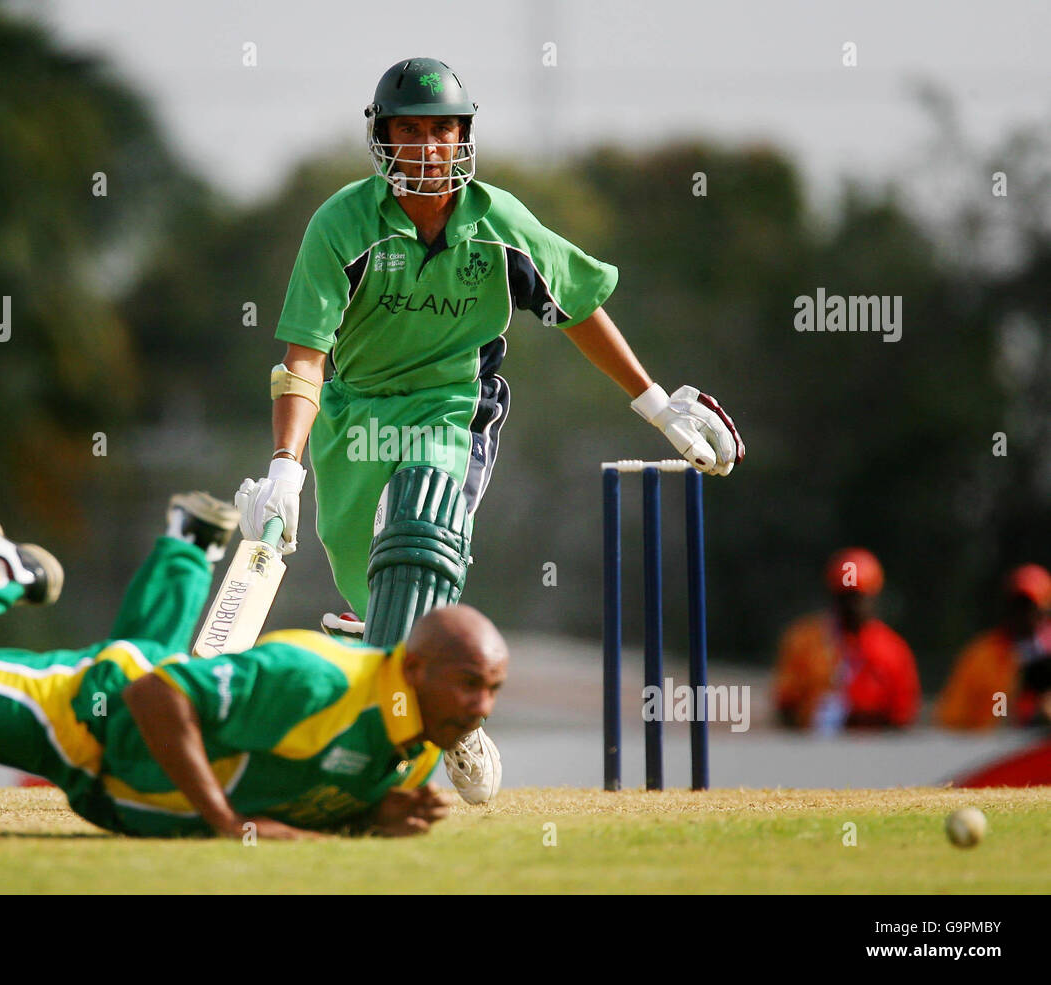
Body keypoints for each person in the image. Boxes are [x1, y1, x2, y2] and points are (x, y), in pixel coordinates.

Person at [234, 57, 744, 802]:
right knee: (374, 583)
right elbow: (304, 359)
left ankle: (379, 765)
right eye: (410, 129)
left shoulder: (499, 221)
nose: (429, 146)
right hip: (354, 418)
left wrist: (658, 404)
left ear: (464, 135)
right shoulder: (340, 224)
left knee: (417, 534)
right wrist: (286, 468)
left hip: (451, 408)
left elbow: (576, 307)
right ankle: (444, 699)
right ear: (382, 139)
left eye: (443, 129)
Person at [0, 497, 509, 839]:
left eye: (493, 689)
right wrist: (223, 821)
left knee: (162, 657)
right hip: (91, 716)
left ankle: (188, 545)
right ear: (413, 668)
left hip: (138, 740)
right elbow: (156, 695)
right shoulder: (317, 679)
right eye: (469, 682)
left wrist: (366, 816)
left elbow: (295, 792)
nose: (482, 705)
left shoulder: (416, 752)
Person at [773, 547, 920, 731]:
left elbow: (902, 717)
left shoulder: (893, 650)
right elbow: (785, 706)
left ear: (873, 596)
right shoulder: (803, 642)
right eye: (844, 597)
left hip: (875, 752)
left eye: (858, 597)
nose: (851, 606)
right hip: (813, 750)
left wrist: (857, 720)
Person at [936, 563, 1051, 730]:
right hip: (992, 749)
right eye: (1017, 607)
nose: (1023, 615)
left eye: (1030, 608)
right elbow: (951, 719)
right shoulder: (981, 656)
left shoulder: (1044, 655)